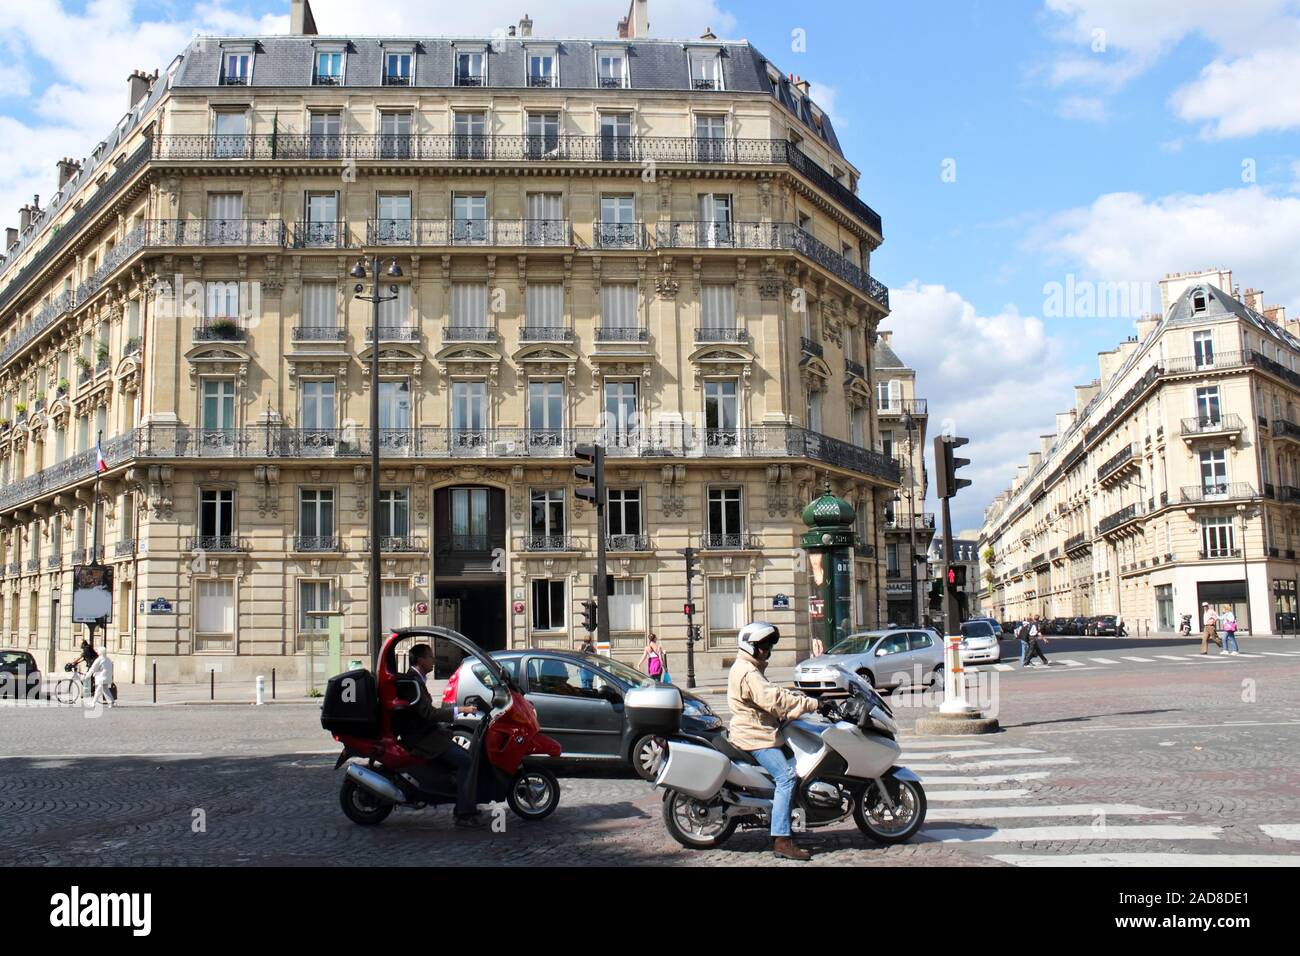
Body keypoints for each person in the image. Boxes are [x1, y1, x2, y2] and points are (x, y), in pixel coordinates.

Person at [727, 621, 820, 862]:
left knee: (797, 767)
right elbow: (773, 700)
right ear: (751, 647)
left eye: (769, 645)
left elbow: (772, 691)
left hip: (761, 731)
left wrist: (798, 696)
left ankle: (795, 821)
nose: (768, 650)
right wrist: (812, 704)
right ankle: (781, 839)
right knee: (786, 777)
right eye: (764, 645)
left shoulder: (749, 667)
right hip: (755, 737)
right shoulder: (747, 671)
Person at [401, 643, 484, 828]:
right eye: (430, 656)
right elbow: (428, 713)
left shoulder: (416, 680)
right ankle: (463, 813)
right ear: (421, 660)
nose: (433, 660)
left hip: (427, 733)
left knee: (463, 754)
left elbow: (423, 715)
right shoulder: (412, 682)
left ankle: (458, 798)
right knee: (465, 761)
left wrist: (440, 729)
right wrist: (460, 711)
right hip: (421, 738)